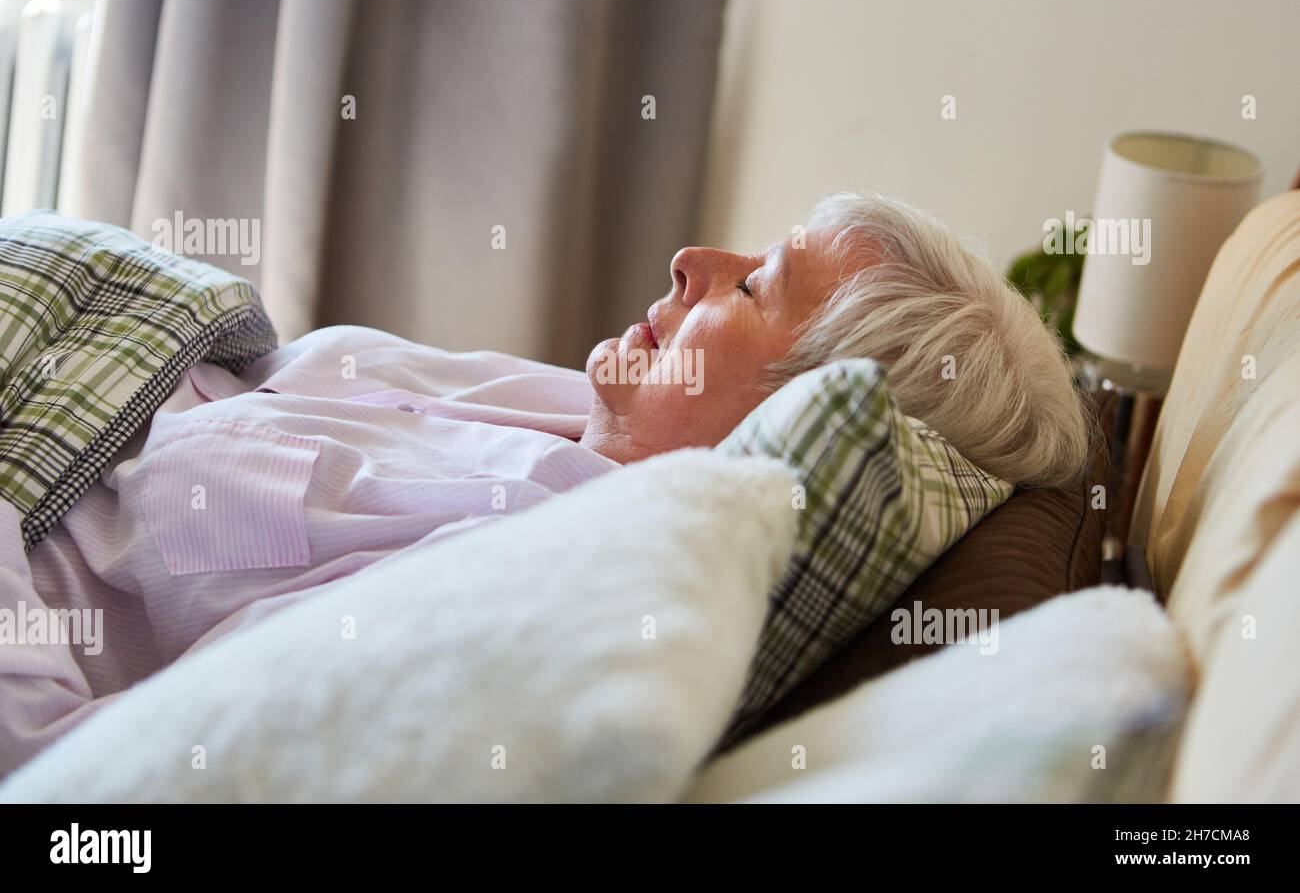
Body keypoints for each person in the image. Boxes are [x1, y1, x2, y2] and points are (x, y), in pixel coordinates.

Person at [0, 191, 1087, 775]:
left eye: (755, 284)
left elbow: (53, 762)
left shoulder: (504, 575)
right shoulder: (587, 414)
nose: (691, 259)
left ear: (789, 411)